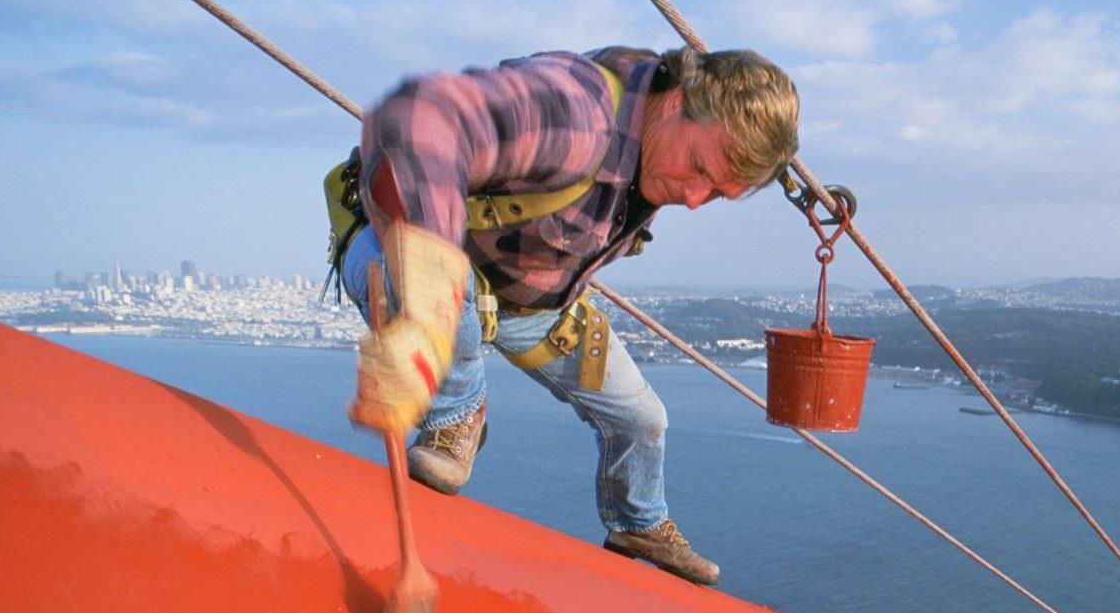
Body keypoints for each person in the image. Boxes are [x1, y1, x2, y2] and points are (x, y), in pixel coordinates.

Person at [340, 45, 799, 585]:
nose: (696, 199)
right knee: (449, 296)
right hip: (412, 258)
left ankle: (638, 522)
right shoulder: (578, 112)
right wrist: (424, 305)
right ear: (677, 102)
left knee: (642, 419)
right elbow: (423, 116)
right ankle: (455, 414)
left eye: (717, 194)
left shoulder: (655, 147)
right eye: (699, 168)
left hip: (530, 301)